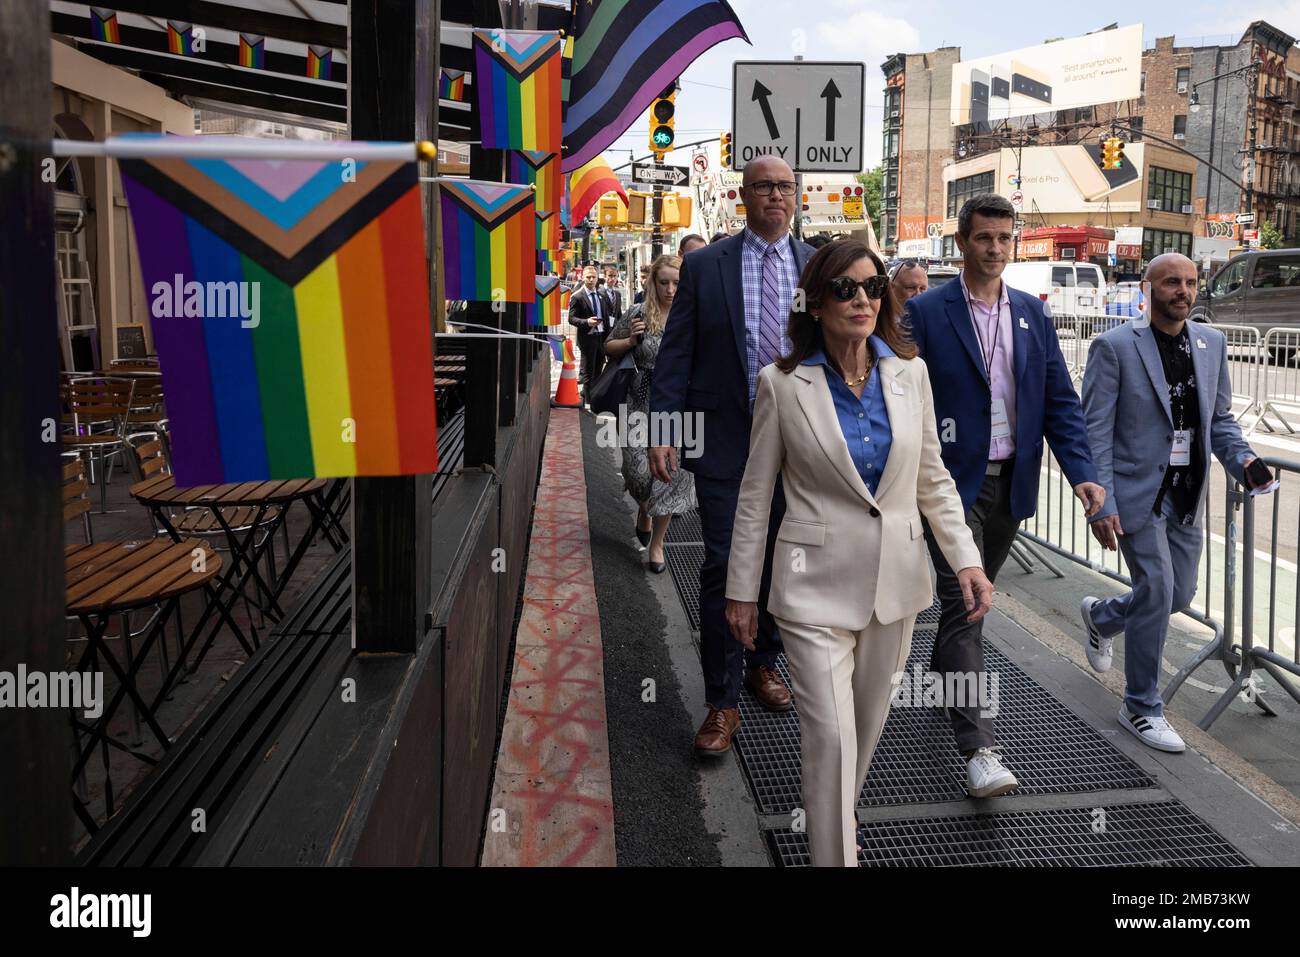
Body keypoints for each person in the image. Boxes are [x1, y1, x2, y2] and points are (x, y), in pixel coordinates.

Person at [726, 240, 992, 867]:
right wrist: (741, 590)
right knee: (833, 737)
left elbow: (932, 480)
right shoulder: (783, 384)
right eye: (844, 288)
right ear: (815, 301)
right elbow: (756, 496)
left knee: (861, 737)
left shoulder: (911, 374)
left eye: (872, 286)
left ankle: (831, 815)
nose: (862, 299)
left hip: (896, 587)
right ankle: (834, 850)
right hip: (811, 587)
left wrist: (966, 560)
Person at [906, 193, 1104, 797]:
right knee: (968, 605)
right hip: (949, 484)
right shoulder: (926, 311)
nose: (995, 248)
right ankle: (979, 749)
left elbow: (1060, 404)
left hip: (1011, 481)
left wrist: (1083, 474)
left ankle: (944, 685)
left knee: (962, 605)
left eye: (1004, 238)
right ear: (962, 242)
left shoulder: (1032, 315)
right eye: (984, 237)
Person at [650, 155, 815, 756]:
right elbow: (677, 350)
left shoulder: (815, 265)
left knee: (782, 561)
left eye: (786, 186)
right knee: (725, 566)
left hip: (800, 448)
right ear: (742, 196)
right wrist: (664, 425)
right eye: (766, 187)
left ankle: (763, 663)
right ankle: (721, 703)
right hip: (725, 444)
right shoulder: (705, 265)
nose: (777, 196)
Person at [1081, 253, 1265, 752]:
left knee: (1178, 596)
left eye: (1189, 282)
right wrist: (1101, 501)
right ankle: (1140, 706)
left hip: (1187, 492)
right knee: (1159, 588)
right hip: (1137, 492)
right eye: (1170, 282)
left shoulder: (1212, 343)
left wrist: (1243, 461)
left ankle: (1102, 617)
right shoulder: (1114, 346)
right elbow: (1094, 431)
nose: (1181, 291)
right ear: (1147, 288)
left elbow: (1220, 419)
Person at [605, 255, 696, 571]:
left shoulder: (694, 316)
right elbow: (609, 346)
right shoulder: (637, 313)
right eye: (664, 282)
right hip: (638, 400)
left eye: (677, 282)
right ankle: (644, 507)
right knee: (637, 472)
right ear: (653, 283)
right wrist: (631, 340)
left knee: (672, 473)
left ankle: (657, 545)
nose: (671, 289)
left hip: (680, 405)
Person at [568, 264, 616, 405]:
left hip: (602, 337)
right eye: (588, 277)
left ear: (597, 279)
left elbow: (607, 317)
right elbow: (571, 318)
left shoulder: (602, 295)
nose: (591, 280)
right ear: (583, 278)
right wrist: (587, 322)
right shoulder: (577, 297)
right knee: (588, 372)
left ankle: (594, 398)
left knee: (598, 370)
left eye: (593, 277)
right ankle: (588, 402)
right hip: (587, 338)